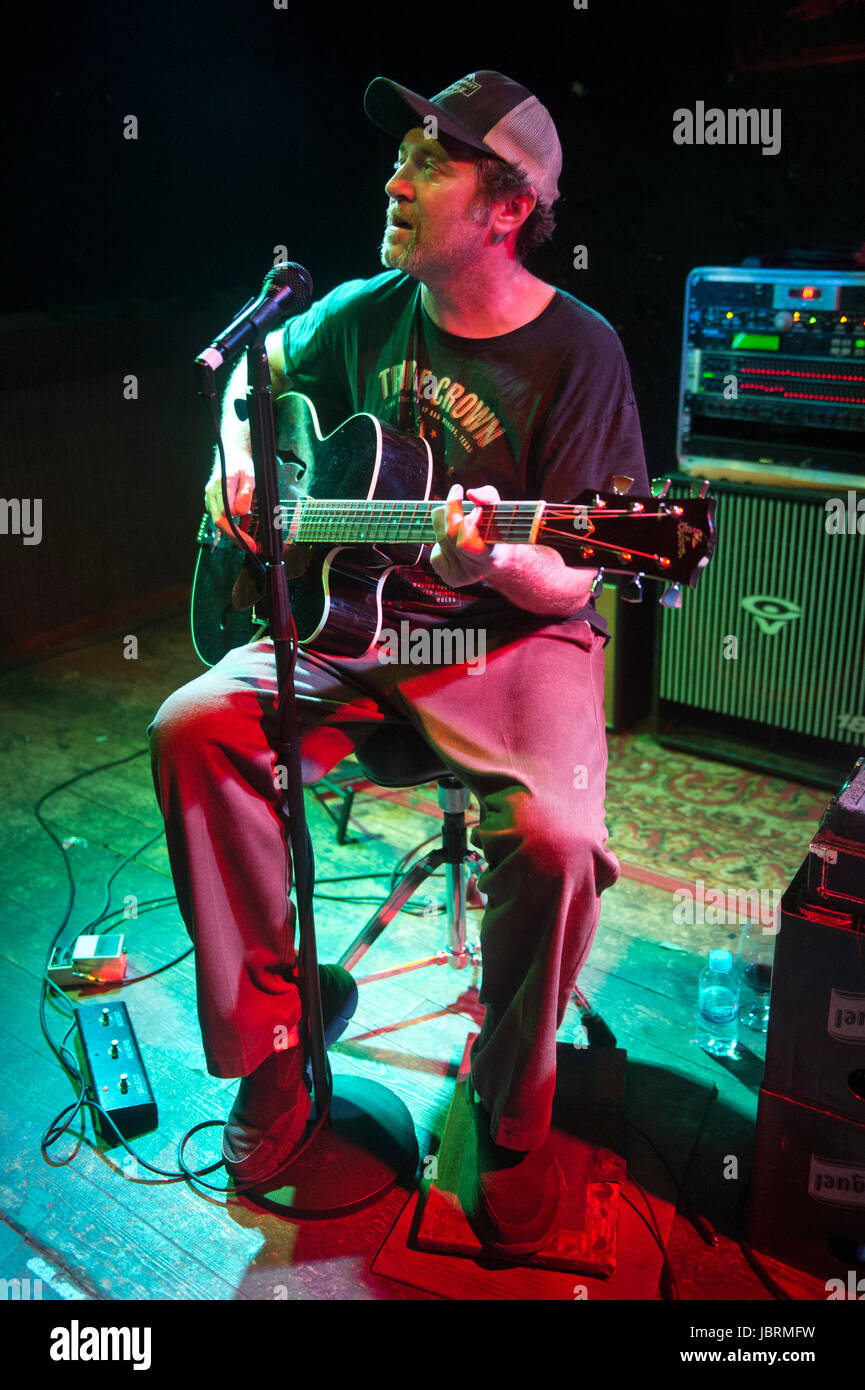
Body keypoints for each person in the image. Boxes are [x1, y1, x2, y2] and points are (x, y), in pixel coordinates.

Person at [149, 69, 649, 1255]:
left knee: (559, 837)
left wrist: (495, 563)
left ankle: (509, 1113)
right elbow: (244, 387)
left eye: (430, 161)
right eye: (403, 155)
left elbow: (578, 573)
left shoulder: (581, 354)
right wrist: (239, 471)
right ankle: (275, 1048)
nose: (395, 176)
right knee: (195, 725)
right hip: (353, 630)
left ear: (506, 206)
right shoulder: (363, 311)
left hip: (509, 641)